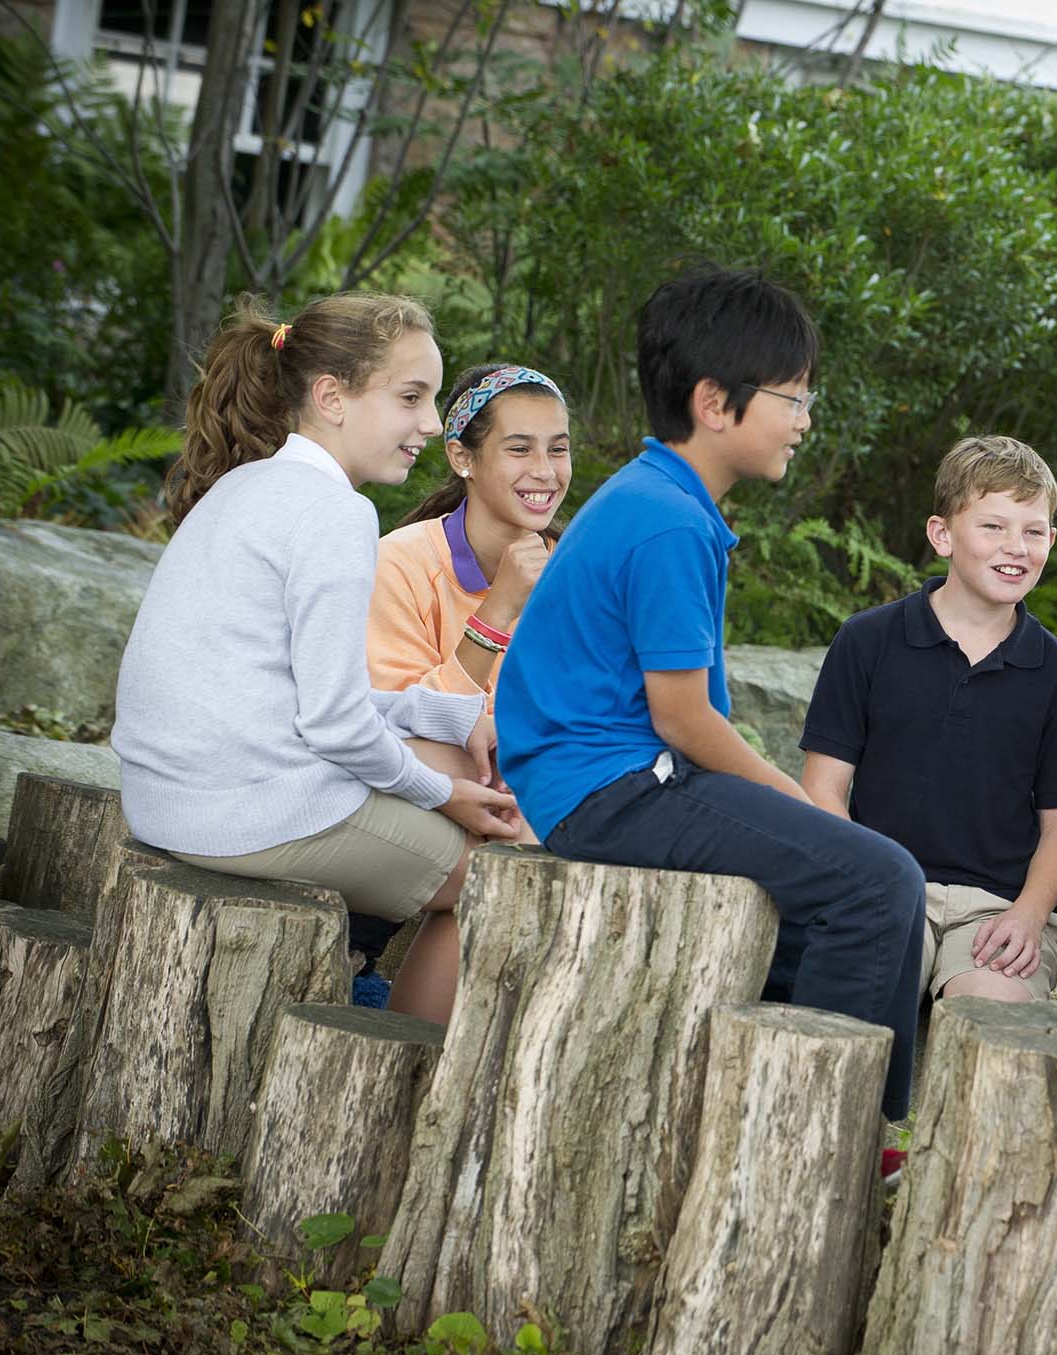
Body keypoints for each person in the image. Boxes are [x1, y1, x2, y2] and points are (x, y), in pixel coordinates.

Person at [494, 265, 926, 1123]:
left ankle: (805, 1113)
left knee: (832, 897)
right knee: (879, 881)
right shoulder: (666, 522)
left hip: (611, 780)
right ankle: (820, 1126)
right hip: (609, 789)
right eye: (791, 398)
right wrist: (805, 803)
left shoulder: (662, 500)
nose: (803, 422)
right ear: (714, 403)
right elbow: (684, 718)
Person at [113, 293, 522, 1025]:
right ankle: (401, 1059)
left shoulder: (250, 484)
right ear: (332, 396)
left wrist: (443, 717)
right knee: (498, 874)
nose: (432, 423)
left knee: (440, 767)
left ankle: (369, 979)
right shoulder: (336, 513)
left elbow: (307, 696)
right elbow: (334, 726)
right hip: (240, 815)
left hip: (171, 799)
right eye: (410, 398)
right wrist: (444, 794)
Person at [800, 436, 1057, 1006]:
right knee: (860, 995)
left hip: (996, 909)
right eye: (993, 527)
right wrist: (860, 885)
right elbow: (823, 788)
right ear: (943, 535)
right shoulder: (867, 641)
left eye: (1033, 531)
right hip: (882, 887)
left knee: (989, 1019)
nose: (1016, 546)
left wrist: (1030, 914)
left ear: (1051, 542)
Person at [368, 362, 571, 705]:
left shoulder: (579, 569)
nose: (545, 470)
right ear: (463, 457)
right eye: (520, 449)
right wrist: (498, 608)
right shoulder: (396, 565)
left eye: (558, 449)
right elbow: (401, 720)